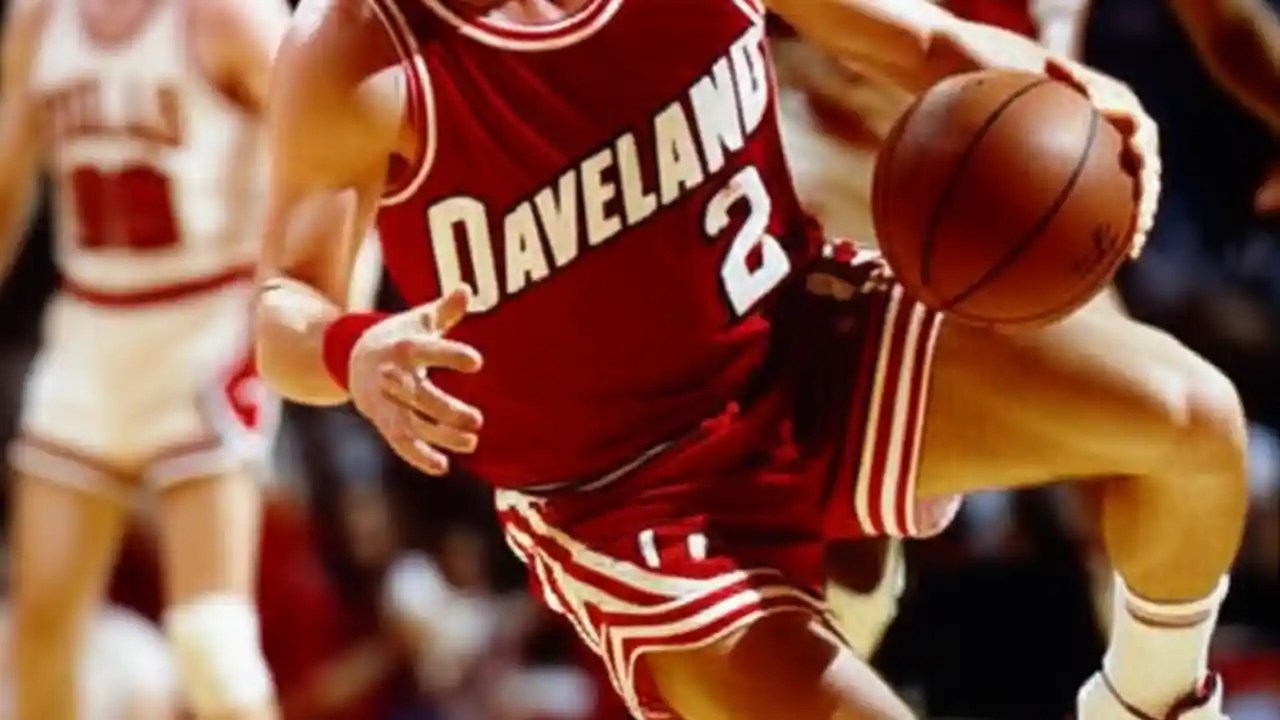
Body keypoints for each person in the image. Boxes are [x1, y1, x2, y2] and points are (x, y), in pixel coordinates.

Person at [255, 0, 1247, 718]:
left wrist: (1069, 92)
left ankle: (1153, 708)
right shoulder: (352, 52)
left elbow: (927, 43)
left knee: (1192, 424)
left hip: (804, 349)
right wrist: (351, 349)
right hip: (628, 506)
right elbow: (280, 313)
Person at [0, 0, 289, 717]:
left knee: (213, 646)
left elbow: (332, 153)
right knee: (38, 631)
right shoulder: (40, 18)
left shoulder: (230, 18)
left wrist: (321, 305)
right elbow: (6, 185)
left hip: (206, 330)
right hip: (91, 330)